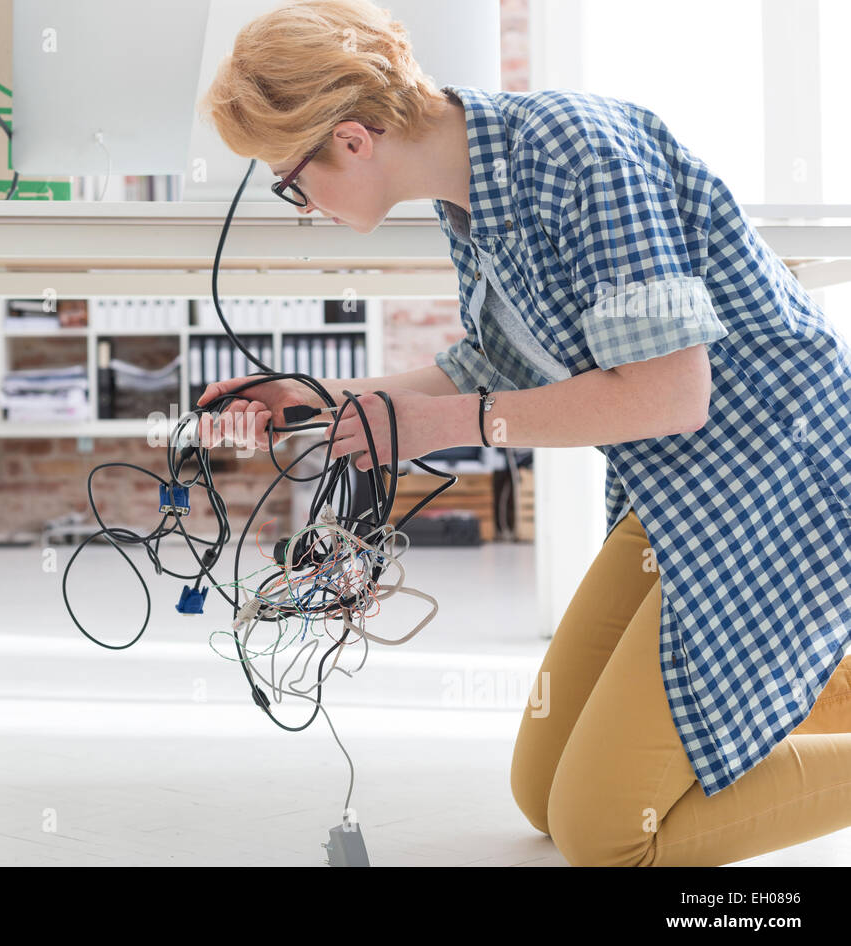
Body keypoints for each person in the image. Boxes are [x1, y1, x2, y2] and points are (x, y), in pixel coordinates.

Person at [195, 0, 851, 866]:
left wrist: (439, 427)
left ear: (351, 140)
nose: (301, 206)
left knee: (608, 836)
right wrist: (312, 398)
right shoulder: (470, 193)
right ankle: (811, 681)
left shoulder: (579, 156)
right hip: (675, 492)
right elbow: (488, 367)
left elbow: (670, 395)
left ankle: (803, 667)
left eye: (290, 182)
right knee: (540, 792)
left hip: (775, 485)